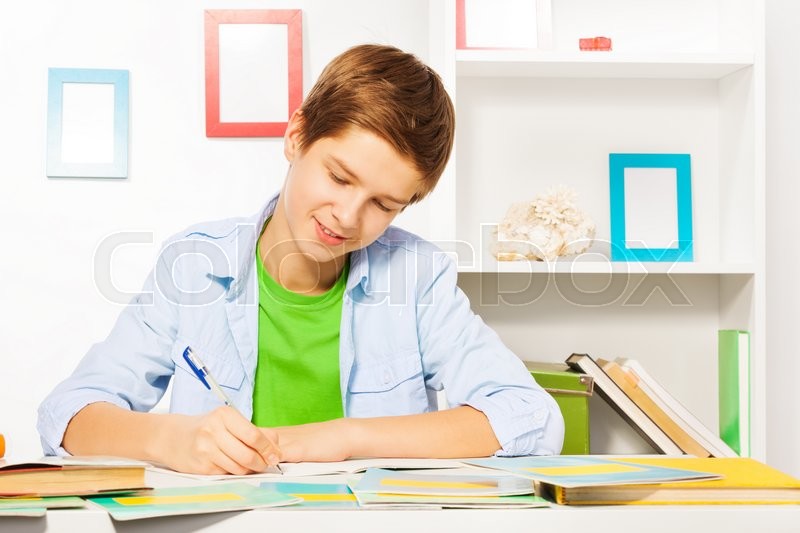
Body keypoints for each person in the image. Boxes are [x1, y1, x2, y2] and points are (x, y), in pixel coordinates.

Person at [38, 44, 564, 475]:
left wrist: (345, 437)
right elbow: (65, 416)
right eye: (339, 177)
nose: (348, 217)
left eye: (384, 204)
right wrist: (167, 438)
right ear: (296, 137)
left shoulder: (418, 277)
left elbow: (532, 418)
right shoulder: (193, 264)